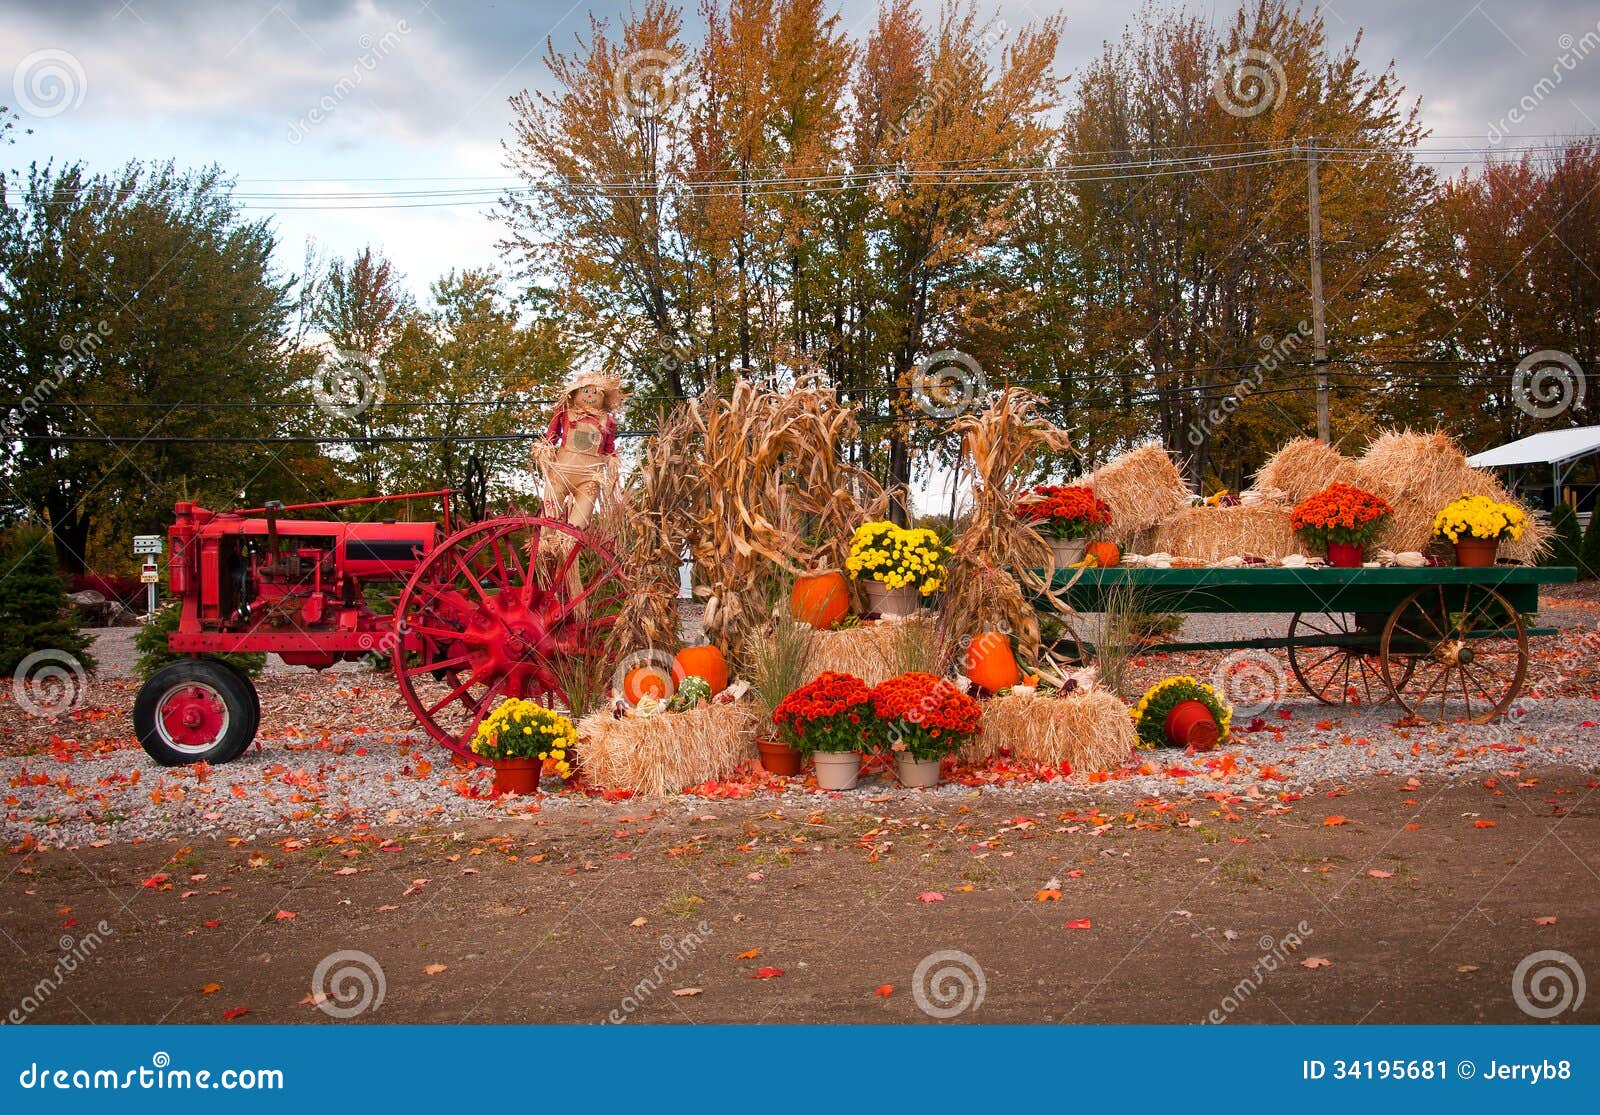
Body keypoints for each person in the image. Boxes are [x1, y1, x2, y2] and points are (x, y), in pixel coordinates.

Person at [534, 370, 624, 530]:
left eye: (595, 393)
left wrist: (612, 462)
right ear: (575, 394)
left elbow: (609, 447)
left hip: (589, 478)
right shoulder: (565, 413)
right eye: (586, 391)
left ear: (603, 399)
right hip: (561, 473)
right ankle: (546, 546)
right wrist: (544, 449)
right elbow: (552, 435)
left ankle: (567, 544)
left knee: (579, 522)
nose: (590, 395)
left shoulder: (608, 421)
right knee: (549, 517)